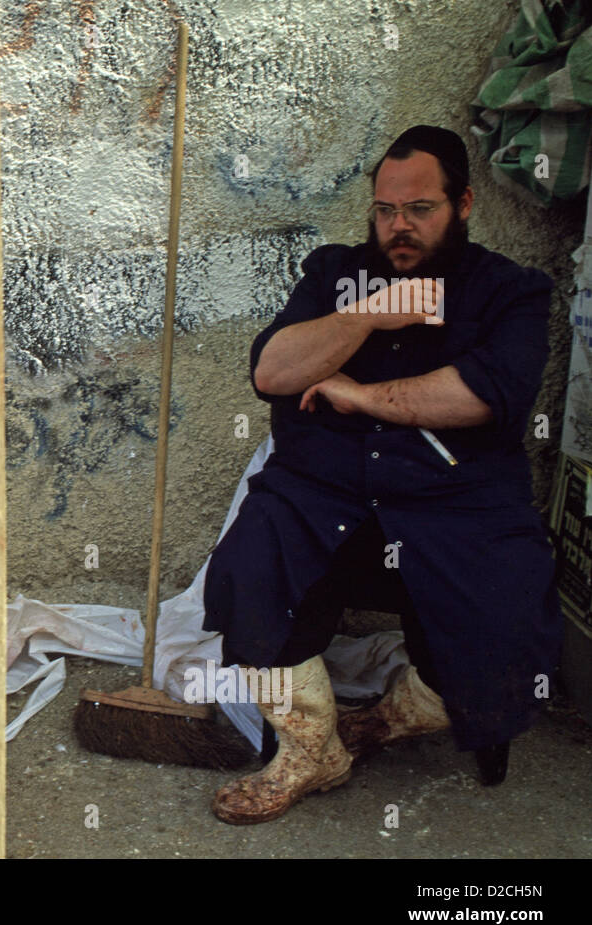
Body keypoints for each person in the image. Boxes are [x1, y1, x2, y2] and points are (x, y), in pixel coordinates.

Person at [200, 125, 563, 825]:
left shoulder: (510, 291)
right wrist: (368, 313)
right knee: (252, 563)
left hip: (456, 499)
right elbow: (273, 370)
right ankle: (310, 751)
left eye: (420, 209)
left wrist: (359, 393)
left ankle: (389, 719)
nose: (399, 227)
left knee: (507, 610)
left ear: (463, 204)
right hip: (323, 491)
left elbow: (484, 394)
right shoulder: (336, 273)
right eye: (385, 210)